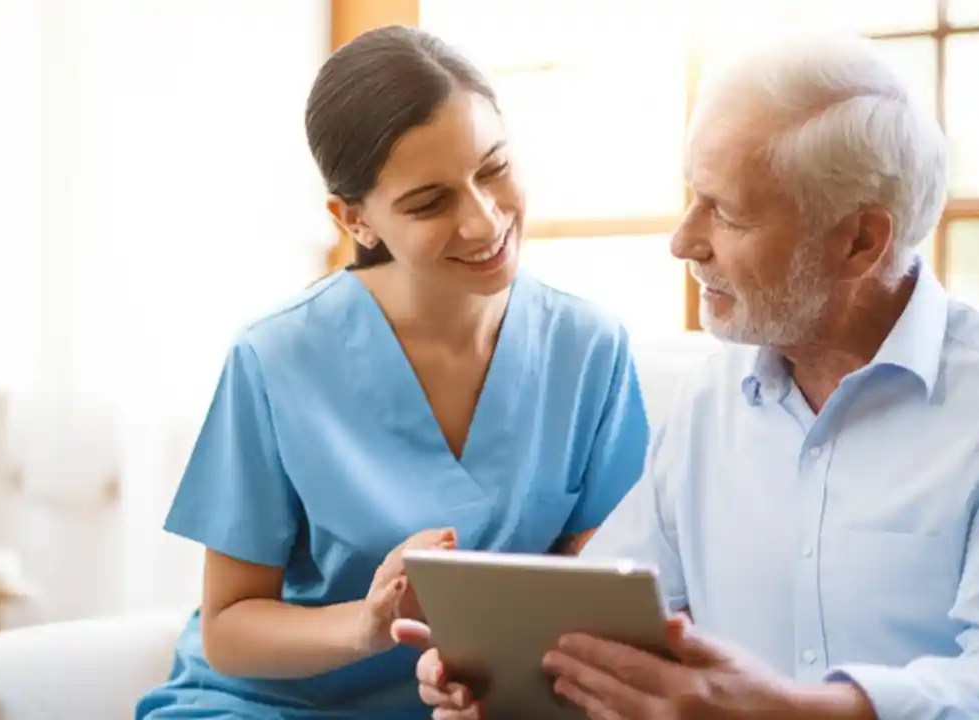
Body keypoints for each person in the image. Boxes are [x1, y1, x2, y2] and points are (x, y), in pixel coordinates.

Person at [403, 34, 979, 720]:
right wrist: (504, 669)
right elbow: (601, 618)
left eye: (729, 215)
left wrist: (790, 712)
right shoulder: (713, 398)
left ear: (860, 241)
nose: (684, 240)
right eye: (693, 197)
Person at [135, 25, 649, 719]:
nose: (484, 220)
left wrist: (507, 683)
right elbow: (228, 631)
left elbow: (605, 596)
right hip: (268, 707)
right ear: (356, 219)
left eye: (493, 167)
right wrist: (367, 624)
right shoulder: (275, 358)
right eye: (430, 202)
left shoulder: (589, 351)